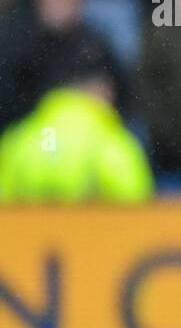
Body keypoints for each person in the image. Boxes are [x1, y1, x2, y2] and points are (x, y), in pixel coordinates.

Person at [0, 38, 152, 204]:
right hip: (94, 229)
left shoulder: (20, 138)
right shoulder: (109, 139)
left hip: (26, 229)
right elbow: (136, 200)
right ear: (97, 90)